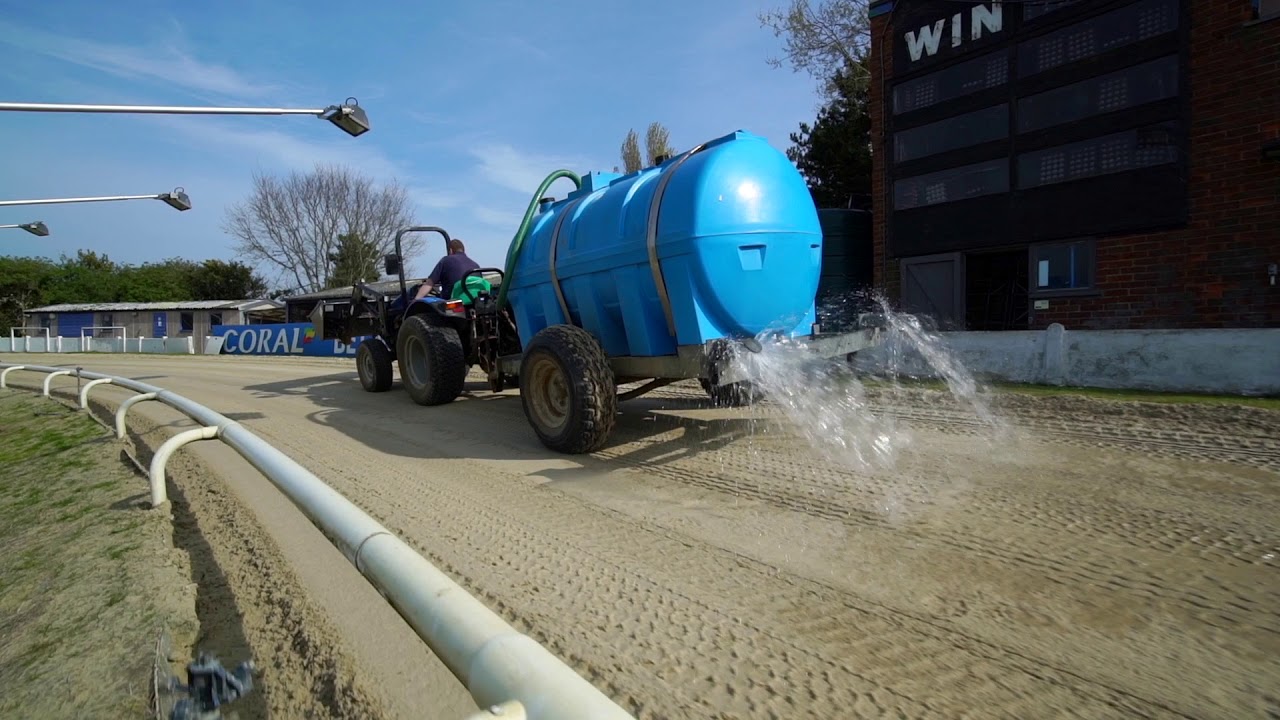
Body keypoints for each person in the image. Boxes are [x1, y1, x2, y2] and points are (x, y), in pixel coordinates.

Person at [413, 238, 480, 302]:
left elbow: (429, 283)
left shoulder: (446, 260)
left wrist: (416, 300)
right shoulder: (476, 266)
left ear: (450, 250)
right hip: (474, 301)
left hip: (452, 301)